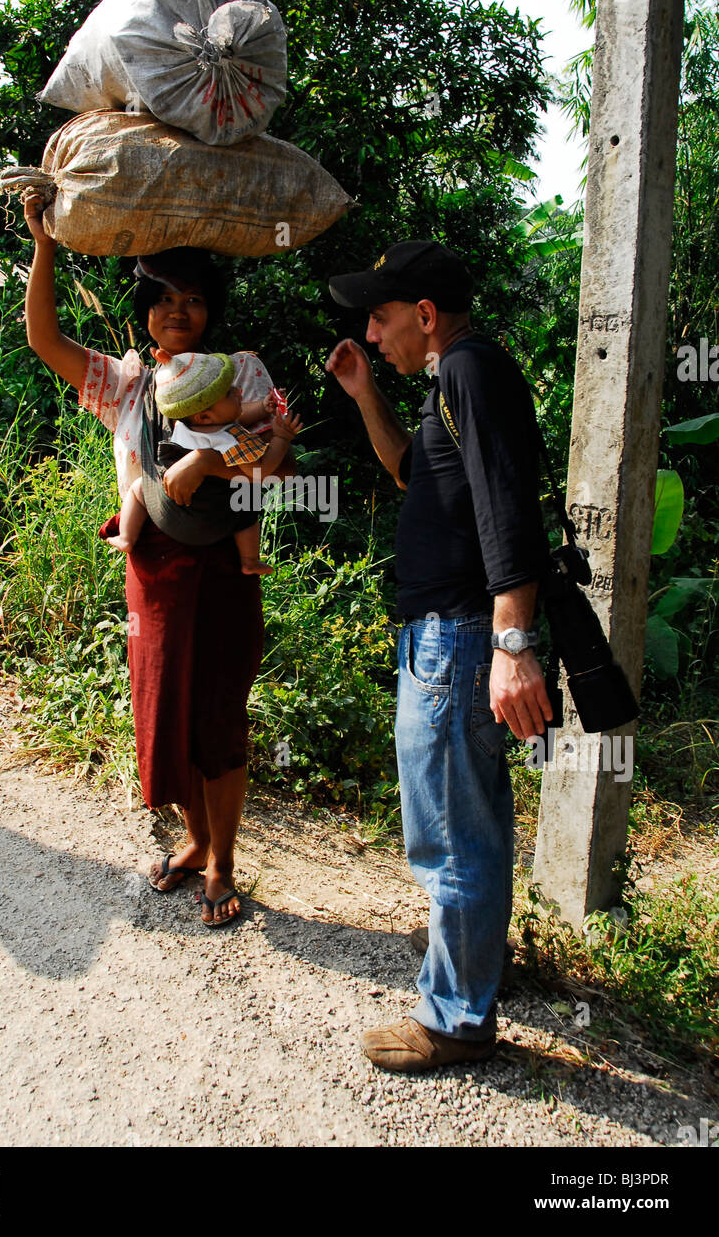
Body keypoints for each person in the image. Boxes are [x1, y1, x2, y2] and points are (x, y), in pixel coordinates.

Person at [22, 190, 295, 926]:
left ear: (212, 312)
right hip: (154, 572)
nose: (180, 311)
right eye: (166, 298)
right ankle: (196, 840)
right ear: (145, 308)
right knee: (164, 710)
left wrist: (206, 467)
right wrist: (45, 245)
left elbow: (279, 471)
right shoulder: (126, 383)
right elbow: (45, 340)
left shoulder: (240, 373)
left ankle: (225, 862)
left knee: (219, 716)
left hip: (226, 567)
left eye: (196, 299)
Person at [325, 240, 553, 1069]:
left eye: (381, 321)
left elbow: (506, 510)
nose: (373, 335)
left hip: (462, 637)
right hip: (448, 636)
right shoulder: (449, 383)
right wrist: (363, 392)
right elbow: (408, 476)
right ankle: (475, 981)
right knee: (468, 821)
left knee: (451, 832)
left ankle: (456, 1018)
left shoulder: (468, 371)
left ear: (425, 316)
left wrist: (511, 645)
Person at [108, 349, 301, 574]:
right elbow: (261, 470)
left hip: (170, 518)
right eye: (230, 393)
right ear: (205, 416)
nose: (239, 391)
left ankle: (126, 537)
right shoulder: (230, 441)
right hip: (213, 520)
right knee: (248, 505)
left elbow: (232, 417)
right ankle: (249, 560)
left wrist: (261, 407)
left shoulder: (186, 425)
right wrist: (282, 438)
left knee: (138, 488)